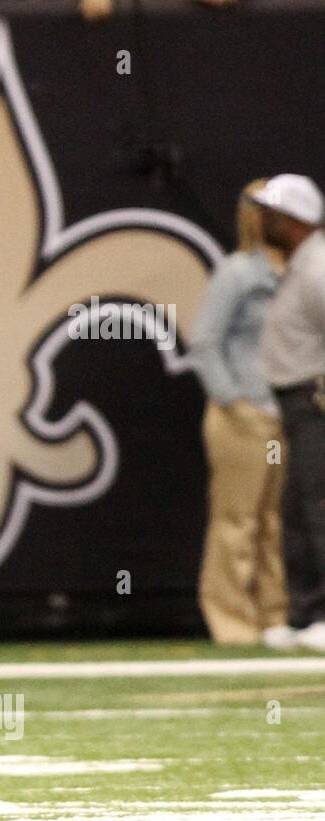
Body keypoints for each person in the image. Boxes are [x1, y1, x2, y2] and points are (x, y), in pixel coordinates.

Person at [188, 180, 287, 645]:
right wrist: (233, 400)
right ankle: (231, 621)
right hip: (244, 416)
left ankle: (277, 616)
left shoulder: (304, 273)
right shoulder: (236, 274)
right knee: (237, 520)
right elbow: (205, 342)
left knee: (275, 520)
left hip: (290, 413)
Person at [253, 174, 325, 651]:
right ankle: (304, 614)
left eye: (271, 214)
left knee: (318, 506)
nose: (262, 222)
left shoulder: (318, 268)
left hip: (315, 400)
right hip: (296, 404)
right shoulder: (301, 263)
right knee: (297, 509)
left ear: (295, 221)